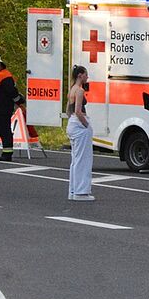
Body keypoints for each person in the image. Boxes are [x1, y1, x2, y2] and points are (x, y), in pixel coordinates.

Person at [66, 66, 94, 201]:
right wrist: (86, 124)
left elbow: (68, 110)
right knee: (83, 159)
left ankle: (73, 190)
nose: (87, 77)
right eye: (86, 74)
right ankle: (81, 192)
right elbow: (78, 110)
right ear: (80, 75)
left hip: (71, 123)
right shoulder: (80, 90)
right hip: (79, 124)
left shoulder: (71, 89)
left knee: (75, 159)